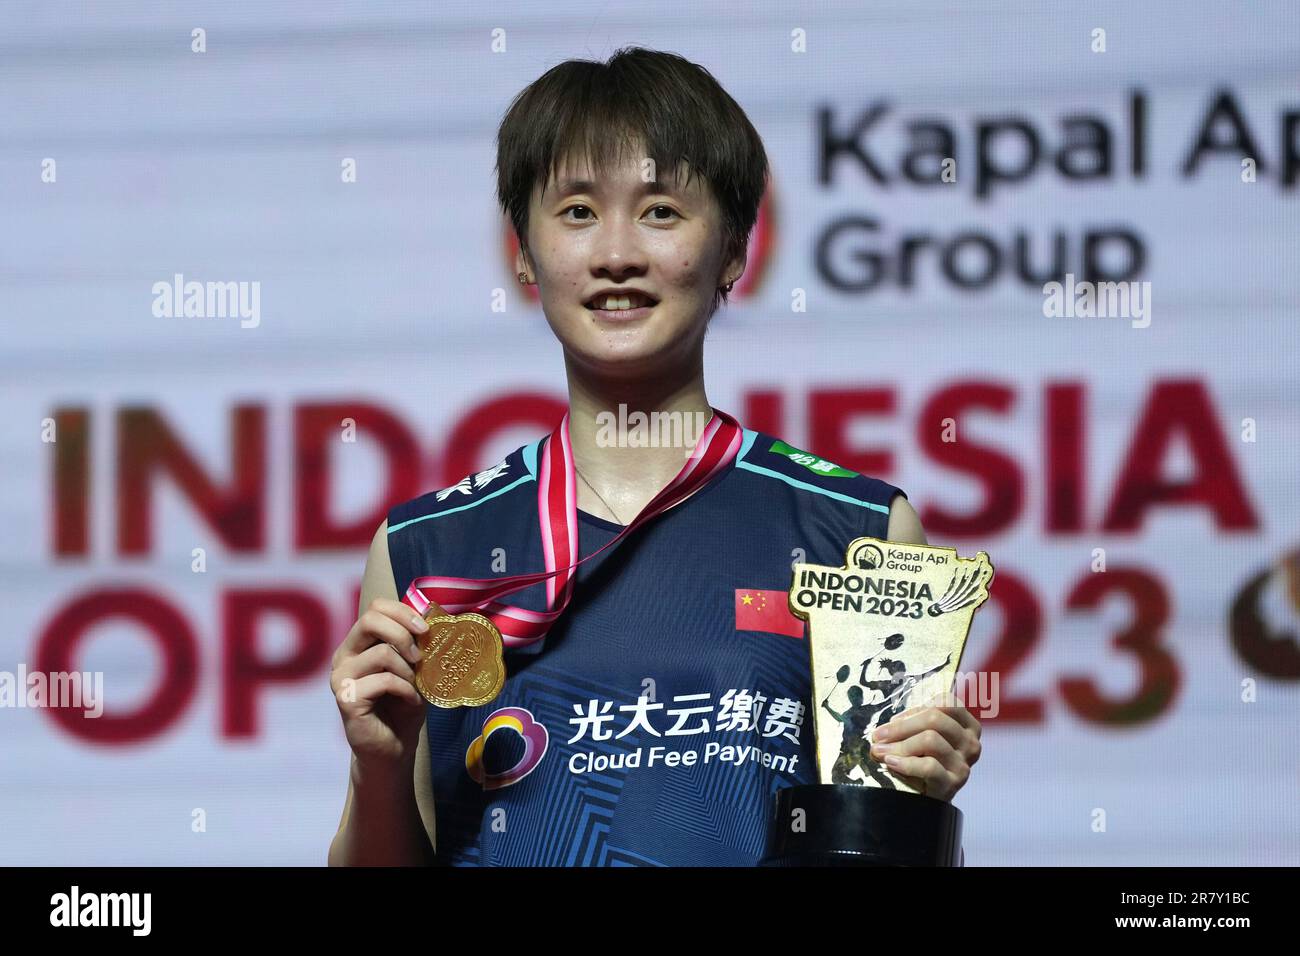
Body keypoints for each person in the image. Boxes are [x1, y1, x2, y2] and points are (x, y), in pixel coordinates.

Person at [327, 46, 982, 867]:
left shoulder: (859, 529)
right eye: (575, 212)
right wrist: (377, 767)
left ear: (735, 252)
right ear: (523, 252)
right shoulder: (428, 550)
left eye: (661, 212)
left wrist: (919, 803)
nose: (616, 254)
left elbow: (882, 850)